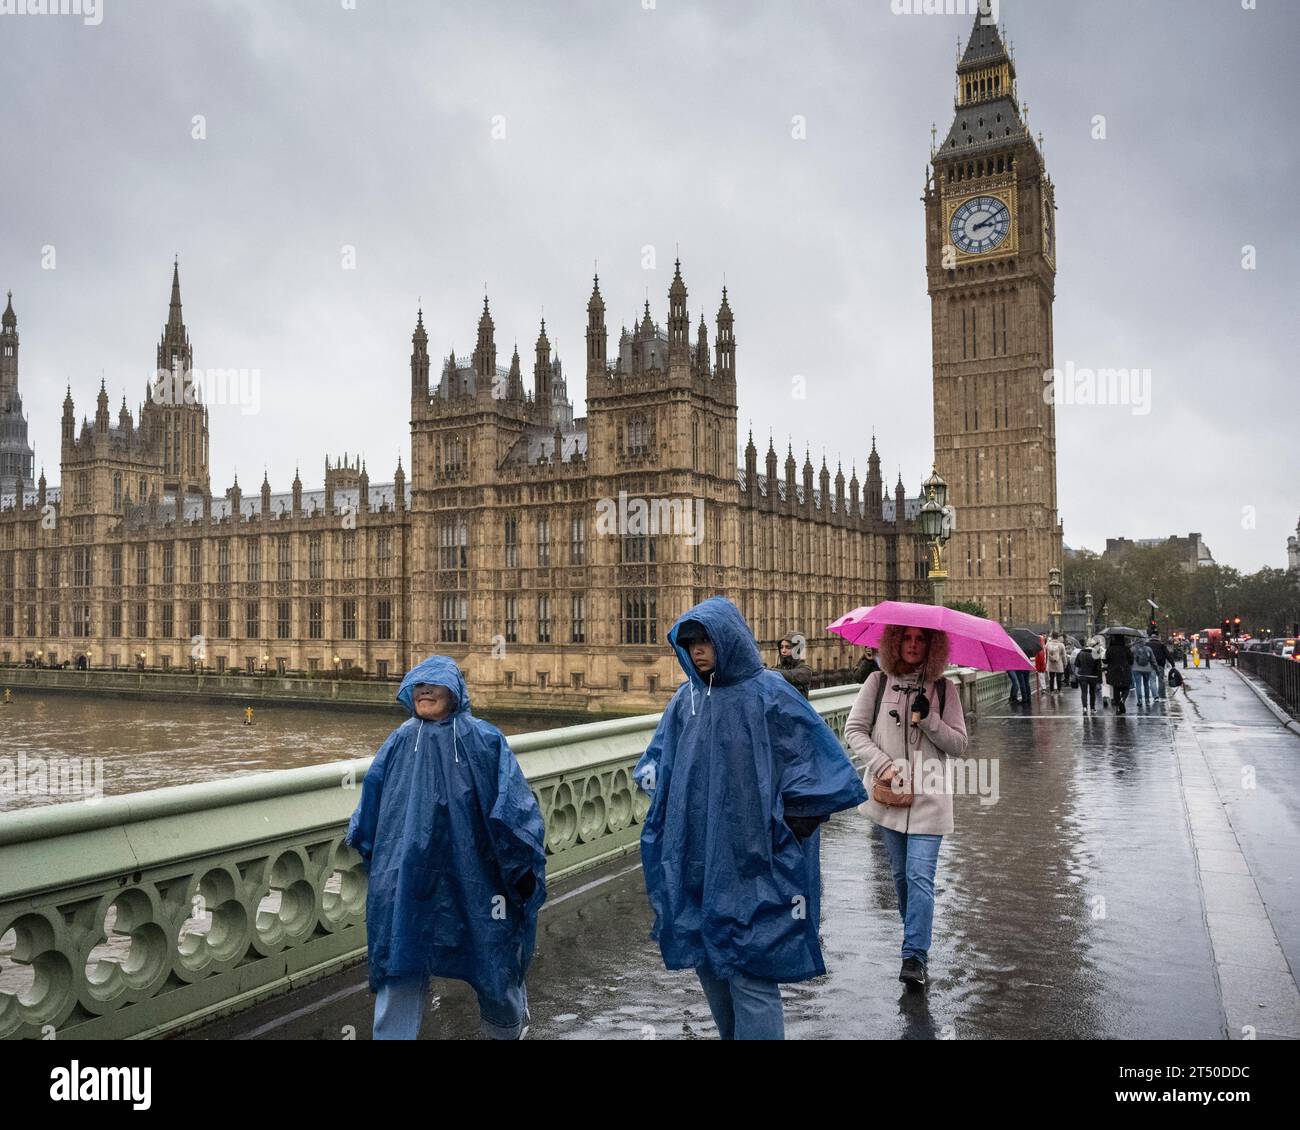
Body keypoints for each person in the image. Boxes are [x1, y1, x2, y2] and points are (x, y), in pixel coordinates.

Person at [634, 597, 866, 1040]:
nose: (698, 650)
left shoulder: (770, 693)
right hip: (698, 855)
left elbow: (820, 766)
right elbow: (657, 763)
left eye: (706, 641)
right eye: (690, 643)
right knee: (709, 960)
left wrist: (788, 829)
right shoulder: (686, 701)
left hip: (756, 859)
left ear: (729, 639)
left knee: (752, 967)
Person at [345, 655, 547, 1040]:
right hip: (409, 875)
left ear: (454, 693)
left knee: (491, 956)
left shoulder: (484, 740)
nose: (424, 692)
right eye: (418, 686)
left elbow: (514, 808)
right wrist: (375, 854)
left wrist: (519, 870)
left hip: (475, 874)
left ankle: (506, 1028)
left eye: (433, 686)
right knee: (401, 962)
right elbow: (371, 803)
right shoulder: (401, 740)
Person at [844, 624, 970, 990]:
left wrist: (930, 720)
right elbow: (854, 731)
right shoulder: (877, 683)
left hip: (930, 799)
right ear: (894, 643)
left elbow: (960, 745)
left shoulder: (946, 689)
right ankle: (914, 933)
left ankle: (914, 955)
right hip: (889, 799)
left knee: (919, 878)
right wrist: (883, 764)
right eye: (907, 638)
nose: (913, 645)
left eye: (921, 639)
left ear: (933, 646)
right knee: (900, 877)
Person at [775, 632, 814, 699]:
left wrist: (769, 671)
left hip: (797, 708)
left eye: (788, 647)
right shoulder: (778, 667)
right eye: (781, 647)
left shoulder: (805, 670)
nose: (783, 651)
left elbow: (791, 675)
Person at [1104, 635, 1133, 715]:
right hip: (1124, 670)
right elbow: (1131, 661)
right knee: (1126, 687)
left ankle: (1117, 708)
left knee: (1116, 688)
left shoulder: (1110, 649)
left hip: (1113, 671)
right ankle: (1123, 699)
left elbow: (1106, 661)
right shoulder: (1126, 649)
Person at [1075, 636, 1103, 714]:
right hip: (1093, 676)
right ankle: (1092, 708)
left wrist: (1076, 674)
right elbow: (1099, 668)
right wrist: (1099, 680)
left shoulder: (1080, 653)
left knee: (1084, 692)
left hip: (1082, 675)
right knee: (1092, 692)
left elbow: (1077, 664)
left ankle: (1084, 708)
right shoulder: (1096, 654)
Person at [1129, 635, 1156, 707]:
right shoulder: (1148, 648)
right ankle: (1147, 700)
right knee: (1146, 684)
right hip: (1147, 669)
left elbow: (1129, 658)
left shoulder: (1133, 649)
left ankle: (1140, 700)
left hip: (1136, 669)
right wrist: (1156, 668)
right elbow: (1153, 660)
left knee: (1138, 685)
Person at [1146, 633, 1170, 700]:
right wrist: (1172, 664)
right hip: (1160, 664)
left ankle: (1155, 696)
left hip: (1151, 665)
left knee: (1152, 680)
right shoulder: (1161, 645)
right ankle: (1162, 695)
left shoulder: (1147, 644)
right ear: (1157, 638)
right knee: (1161, 680)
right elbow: (1167, 654)